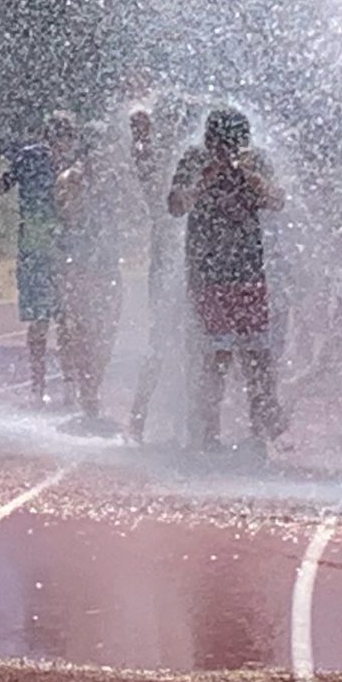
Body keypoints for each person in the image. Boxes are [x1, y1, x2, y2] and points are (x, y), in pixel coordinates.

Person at [173, 106, 285, 453]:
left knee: (257, 356)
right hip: (207, 273)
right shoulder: (193, 159)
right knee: (216, 357)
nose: (226, 150)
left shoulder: (256, 160)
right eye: (219, 143)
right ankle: (208, 433)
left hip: (248, 270)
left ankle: (257, 434)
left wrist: (250, 175)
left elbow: (277, 201)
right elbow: (175, 205)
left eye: (232, 143)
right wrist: (206, 176)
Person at [0, 113, 73, 403]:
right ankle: (52, 386)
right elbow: (2, 186)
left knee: (55, 319)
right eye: (63, 139)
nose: (63, 147)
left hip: (47, 247)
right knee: (53, 319)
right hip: (46, 248)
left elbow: (1, 186)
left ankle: (57, 387)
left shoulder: (46, 160)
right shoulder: (44, 159)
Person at [54, 112, 126, 433]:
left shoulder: (116, 178)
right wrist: (83, 189)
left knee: (108, 328)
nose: (102, 152)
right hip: (80, 264)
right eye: (96, 147)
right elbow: (67, 214)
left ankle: (93, 385)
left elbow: (131, 213)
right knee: (82, 329)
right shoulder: (71, 178)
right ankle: (87, 393)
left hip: (108, 262)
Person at [127, 102, 191, 442]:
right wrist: (141, 136)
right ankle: (138, 417)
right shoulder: (155, 164)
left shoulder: (190, 160)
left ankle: (180, 419)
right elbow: (144, 172)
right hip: (167, 263)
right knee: (163, 340)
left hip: (189, 261)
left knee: (190, 342)